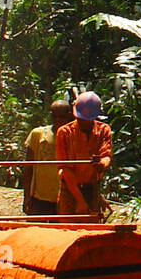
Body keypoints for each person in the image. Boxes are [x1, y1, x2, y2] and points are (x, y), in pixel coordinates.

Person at [56, 91, 113, 219]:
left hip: (91, 190)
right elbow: (65, 168)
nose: (83, 122)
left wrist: (101, 165)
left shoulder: (103, 131)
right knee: (67, 232)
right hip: (69, 191)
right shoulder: (64, 133)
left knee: (91, 233)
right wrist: (80, 201)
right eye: (80, 119)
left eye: (87, 120)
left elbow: (106, 155)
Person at [23, 98, 72, 216]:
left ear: (69, 116)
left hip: (64, 197)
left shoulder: (74, 137)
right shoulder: (38, 134)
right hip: (39, 197)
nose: (58, 120)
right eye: (55, 116)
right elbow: (28, 168)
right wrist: (26, 196)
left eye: (62, 117)